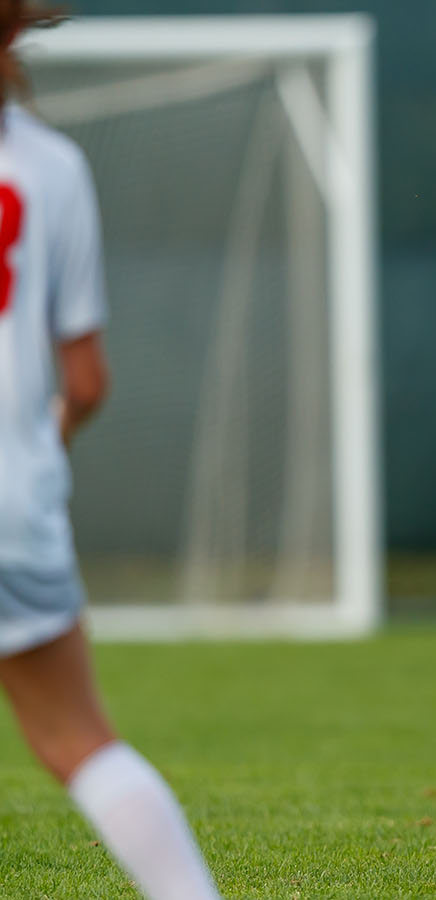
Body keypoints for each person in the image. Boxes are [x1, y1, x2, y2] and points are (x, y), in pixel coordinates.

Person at [0, 5, 220, 899]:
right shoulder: (50, 168)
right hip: (12, 504)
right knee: (78, 741)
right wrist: (32, 454)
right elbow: (85, 381)